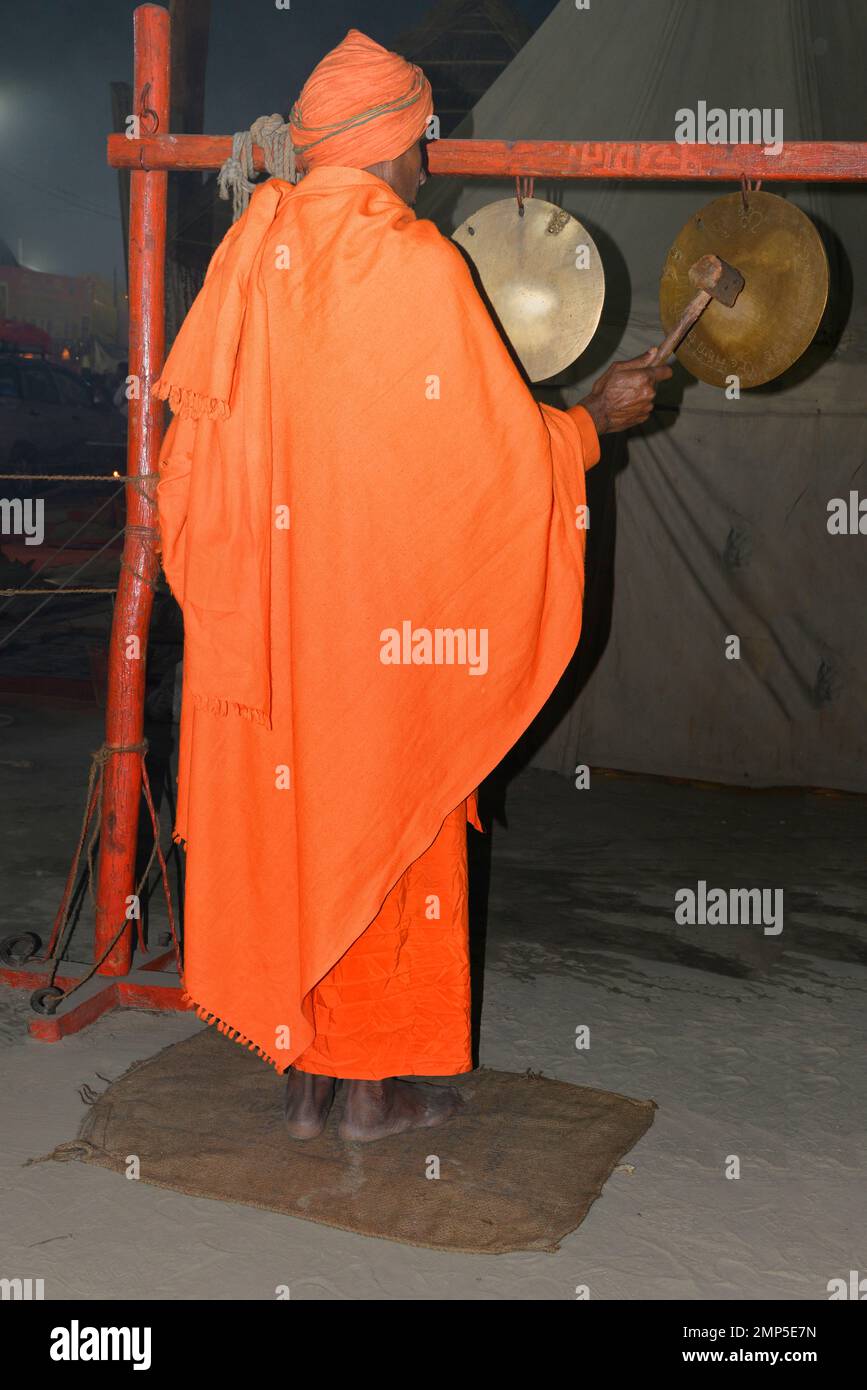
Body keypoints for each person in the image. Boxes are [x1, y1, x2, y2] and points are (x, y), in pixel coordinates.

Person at [155, 29, 669, 1143]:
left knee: (305, 832)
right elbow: (483, 460)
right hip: (381, 635)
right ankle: (370, 1094)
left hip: (279, 637)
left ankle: (308, 1081)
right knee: (392, 824)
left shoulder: (255, 252)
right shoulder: (416, 264)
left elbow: (196, 468)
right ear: (391, 143)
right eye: (426, 140)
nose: (432, 163)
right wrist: (592, 424)